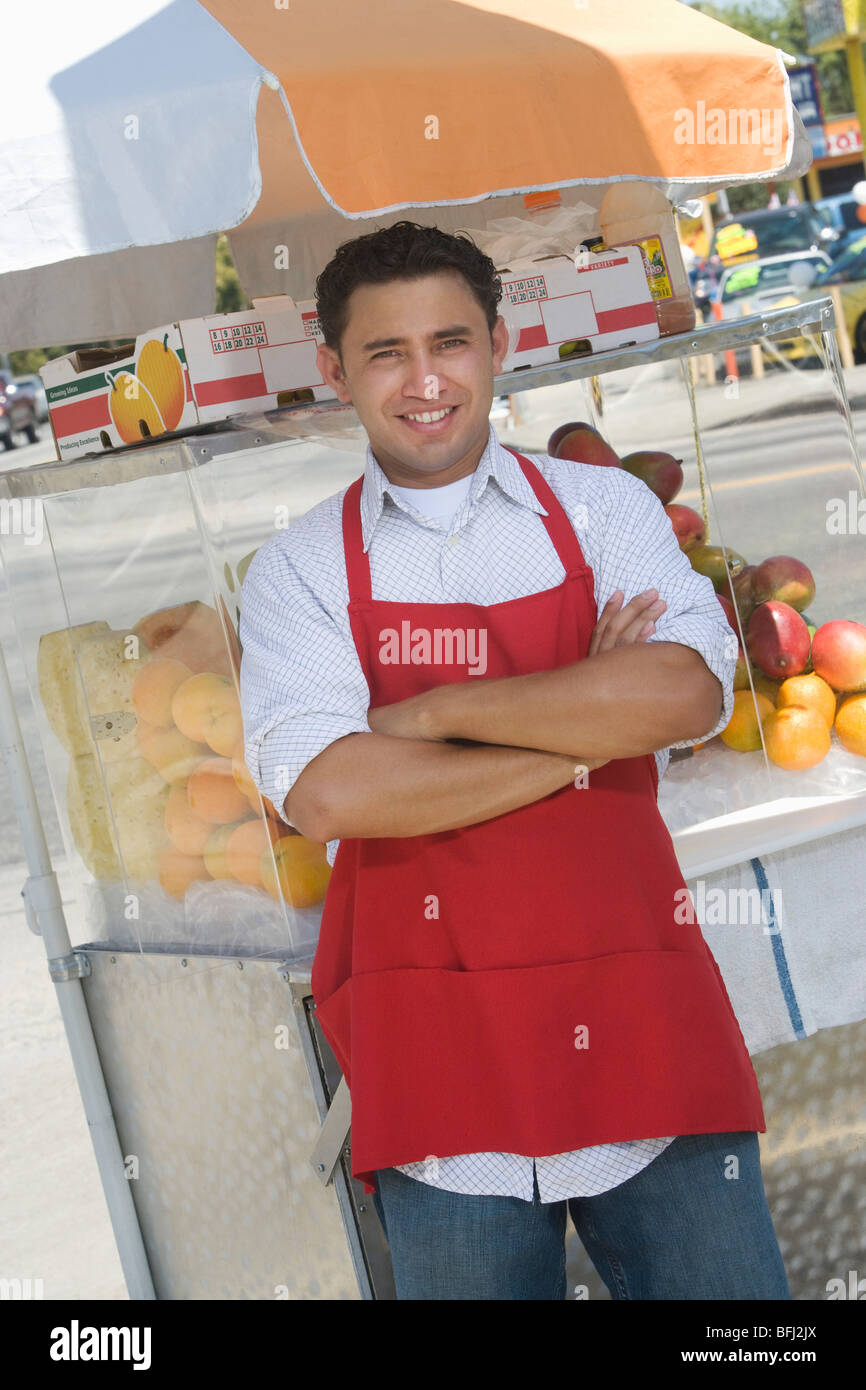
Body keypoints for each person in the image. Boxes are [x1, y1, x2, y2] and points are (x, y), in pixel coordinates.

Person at [239, 220, 791, 1301]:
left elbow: (680, 692)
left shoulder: (600, 509)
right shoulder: (296, 568)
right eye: (384, 352)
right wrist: (587, 722)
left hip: (635, 1003)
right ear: (333, 370)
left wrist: (433, 713)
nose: (423, 379)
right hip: (433, 1041)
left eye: (448, 341)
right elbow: (333, 790)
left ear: (497, 343)